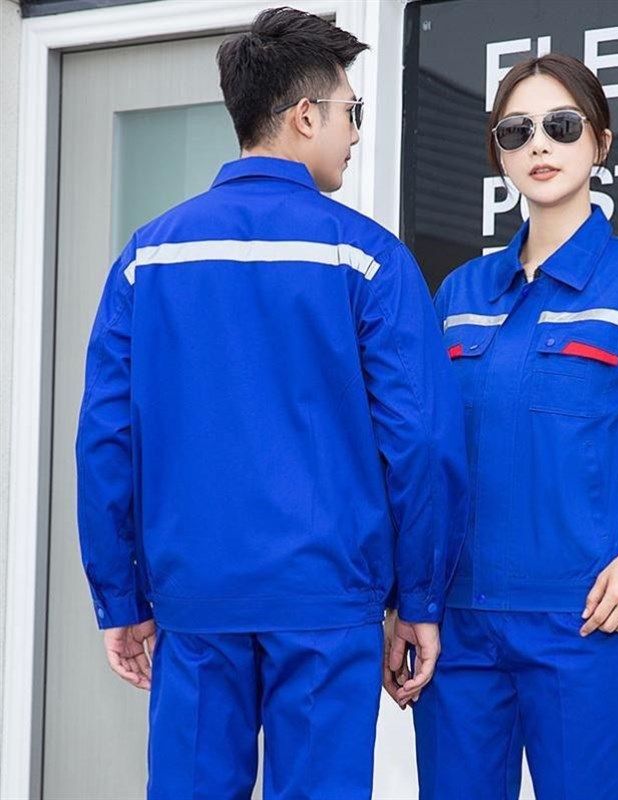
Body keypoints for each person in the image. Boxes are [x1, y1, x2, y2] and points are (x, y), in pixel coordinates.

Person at [75, 7, 467, 799]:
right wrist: (419, 598)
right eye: (352, 112)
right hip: (327, 605)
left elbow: (106, 440)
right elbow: (421, 443)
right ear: (305, 116)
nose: (354, 134)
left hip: (195, 601)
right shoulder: (369, 259)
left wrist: (120, 597)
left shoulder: (148, 257)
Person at [404, 53, 618, 800]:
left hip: (582, 623)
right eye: (516, 131)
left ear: (601, 143)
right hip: (459, 625)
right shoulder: (460, 294)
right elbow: (426, 457)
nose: (539, 145)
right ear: (498, 154)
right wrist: (412, 599)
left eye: (562, 126)